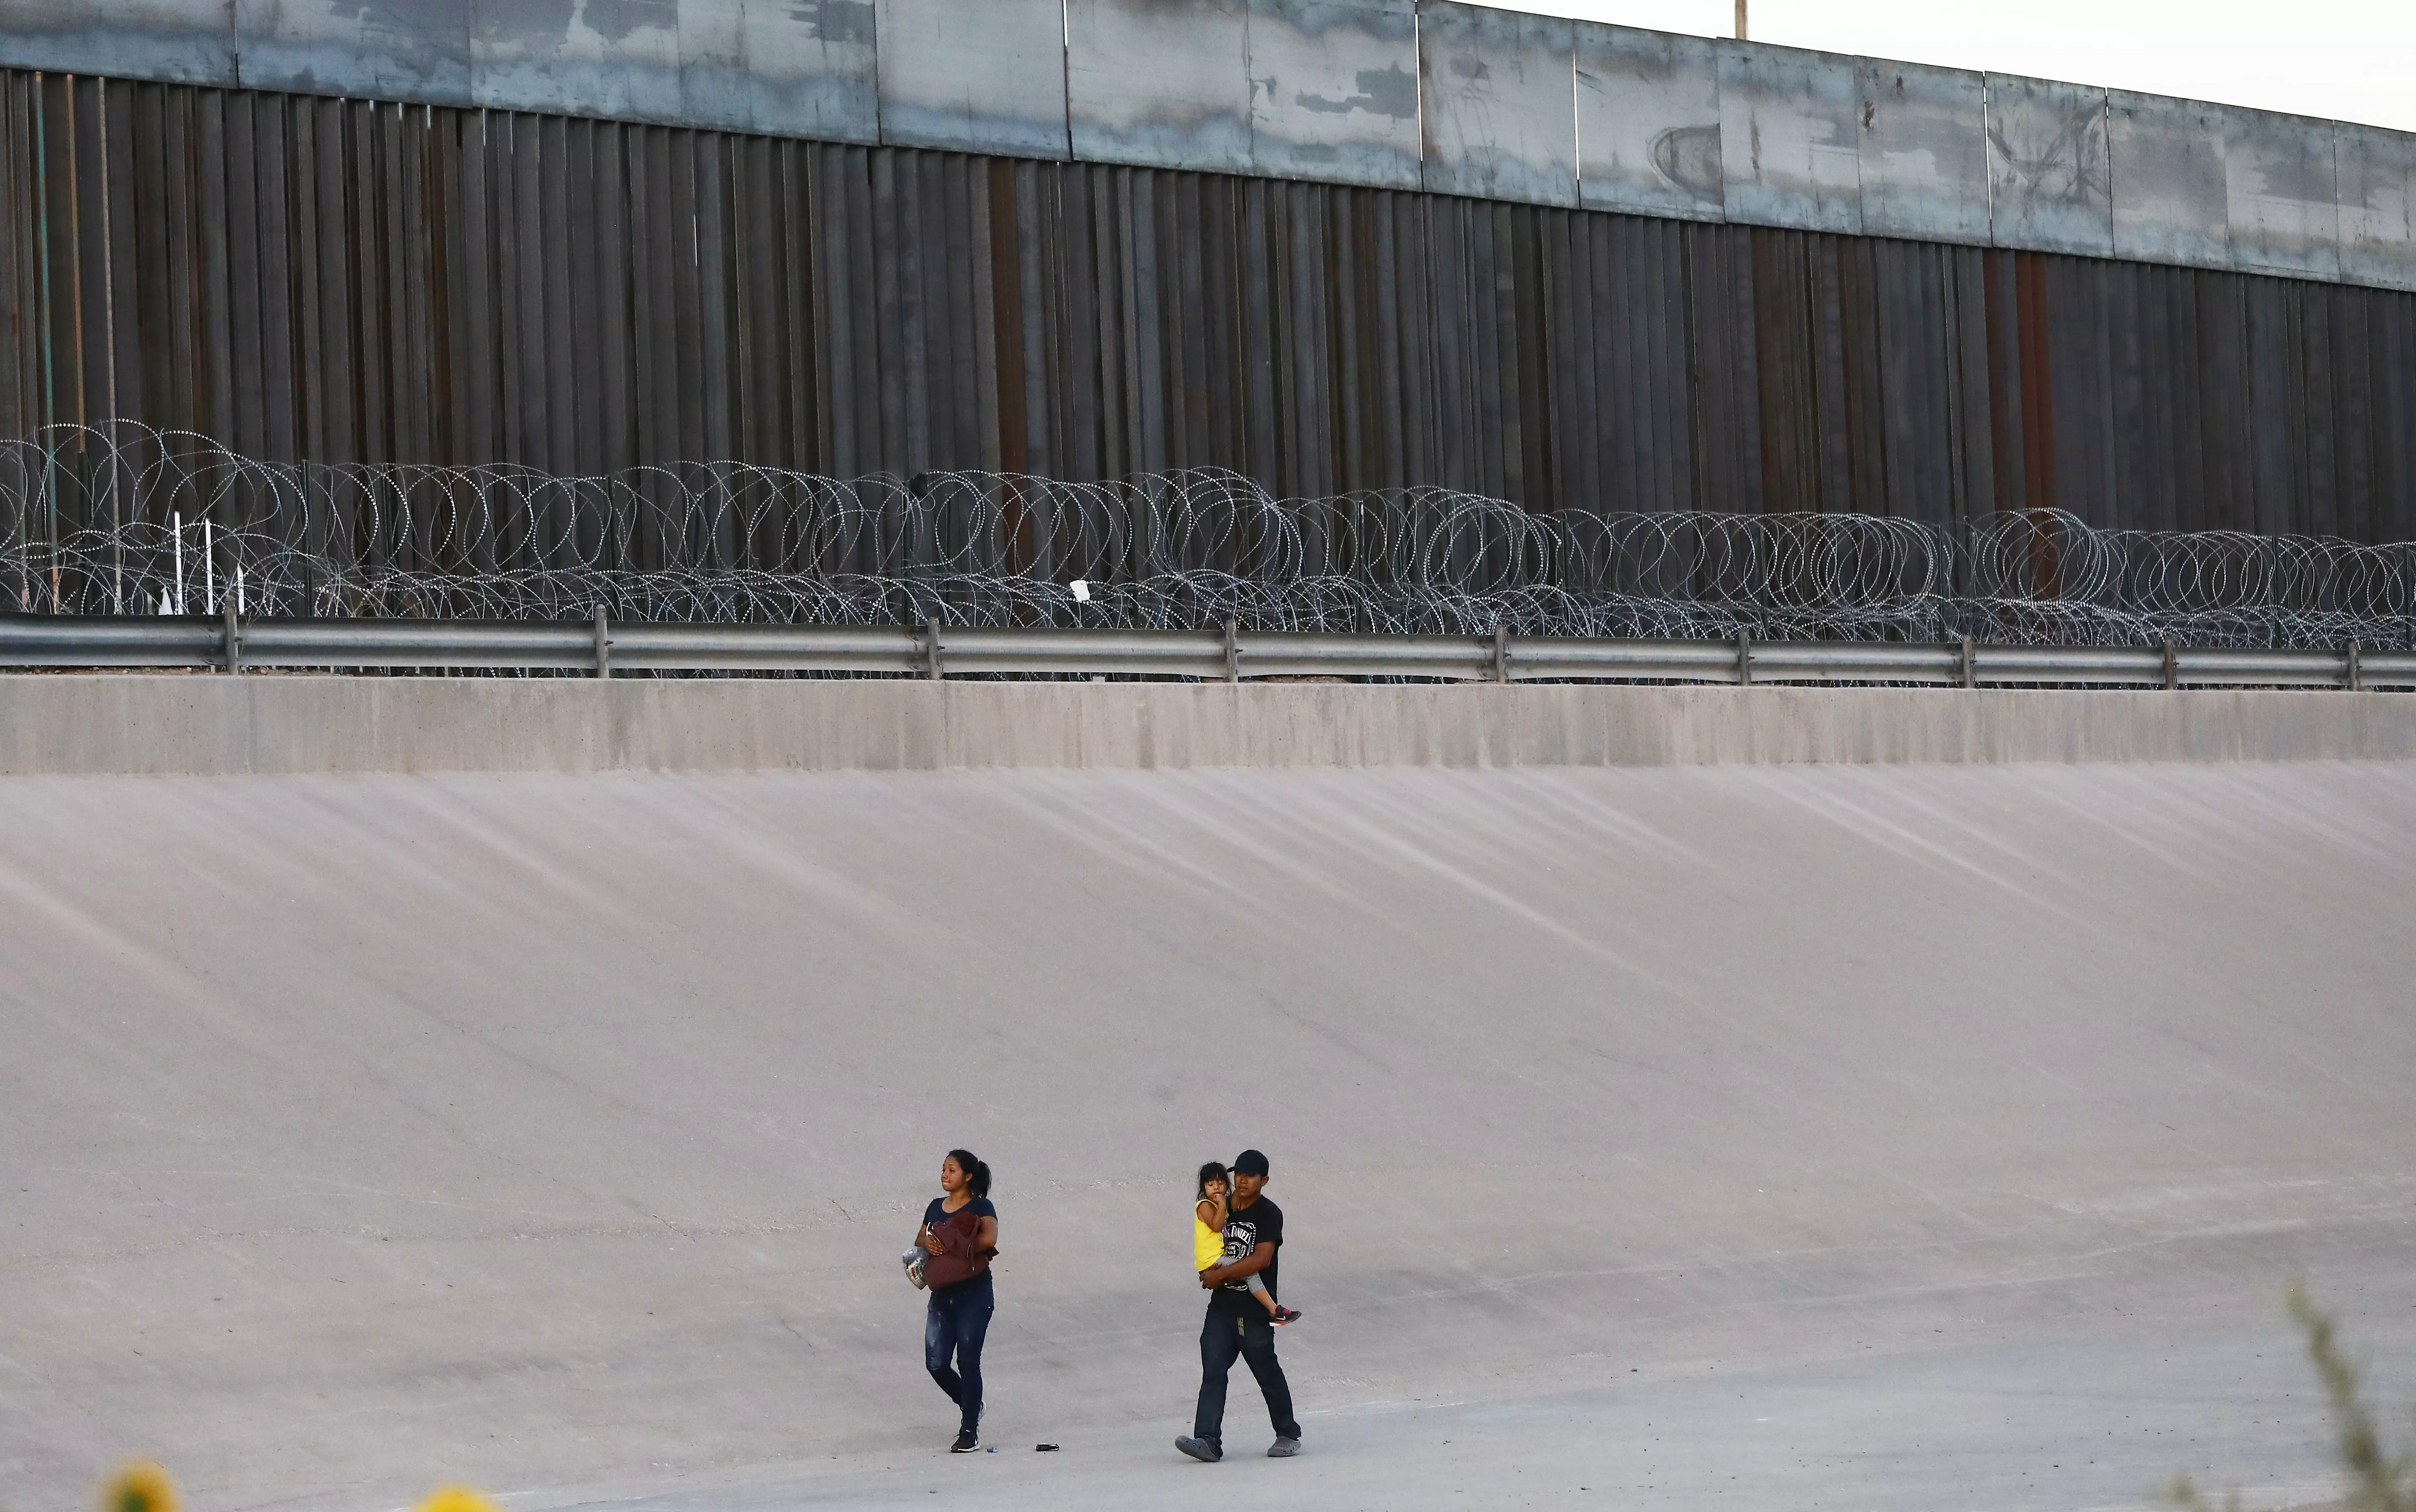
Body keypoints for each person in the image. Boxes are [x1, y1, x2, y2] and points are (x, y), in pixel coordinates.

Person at [1176, 1148, 1302, 1463]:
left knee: (1266, 1371)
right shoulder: (1224, 1206)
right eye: (1238, 1174)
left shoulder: (1268, 1213)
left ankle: (1288, 1433)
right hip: (1222, 1307)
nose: (1242, 1180)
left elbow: (1261, 1259)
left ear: (1265, 1180)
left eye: (1250, 1176)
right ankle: (1208, 1440)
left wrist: (1219, 1276)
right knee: (1213, 1370)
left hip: (1253, 1311)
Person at [913, 1149, 998, 1453]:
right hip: (942, 1295)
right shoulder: (936, 1207)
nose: (945, 1175)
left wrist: (954, 1244)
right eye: (944, 1169)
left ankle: (969, 1430)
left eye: (952, 1170)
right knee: (936, 1364)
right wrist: (929, 1241)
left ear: (968, 1176)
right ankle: (971, 1404)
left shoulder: (981, 1206)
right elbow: (920, 1238)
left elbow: (989, 1240)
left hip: (974, 1294)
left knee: (968, 1361)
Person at [1195, 1162, 1298, 1325]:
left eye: (1221, 1184)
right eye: (1211, 1185)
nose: (1216, 1188)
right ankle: (1274, 1311)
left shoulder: (1265, 1211)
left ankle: (1274, 1310)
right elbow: (1216, 1226)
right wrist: (1223, 1204)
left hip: (1217, 1259)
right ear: (1203, 1188)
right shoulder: (1205, 1206)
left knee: (1244, 1271)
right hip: (1211, 1260)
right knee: (1248, 1270)